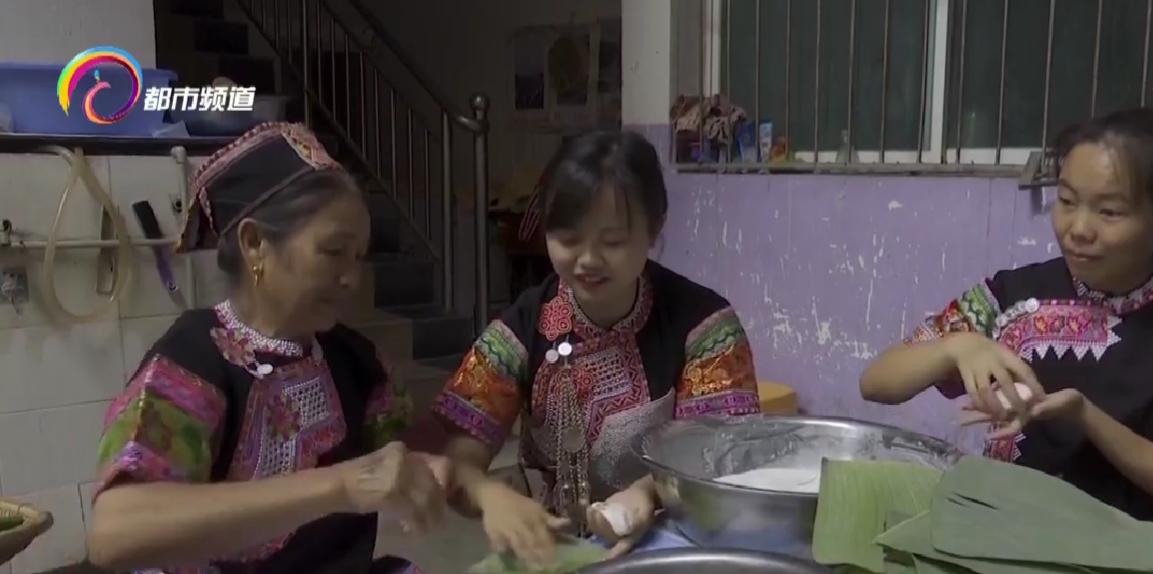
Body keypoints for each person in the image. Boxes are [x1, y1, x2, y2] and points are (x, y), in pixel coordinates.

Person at [86, 122, 448, 574]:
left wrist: (480, 490)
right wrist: (340, 485)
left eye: (358, 257)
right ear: (256, 244)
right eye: (334, 251)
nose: (352, 278)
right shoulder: (192, 360)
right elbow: (115, 532)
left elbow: (410, 460)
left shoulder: (359, 363)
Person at [432, 131, 762, 569]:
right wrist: (488, 493)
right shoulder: (519, 329)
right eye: (568, 238)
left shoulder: (705, 328)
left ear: (654, 228)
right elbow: (455, 461)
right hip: (552, 547)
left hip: (673, 542)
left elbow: (723, 458)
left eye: (611, 242)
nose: (587, 260)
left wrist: (647, 494)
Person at [860, 108, 1153, 520]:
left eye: (1109, 212)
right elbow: (876, 382)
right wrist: (956, 348)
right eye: (1067, 201)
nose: (1079, 228)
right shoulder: (1013, 296)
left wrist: (1085, 417)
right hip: (1001, 538)